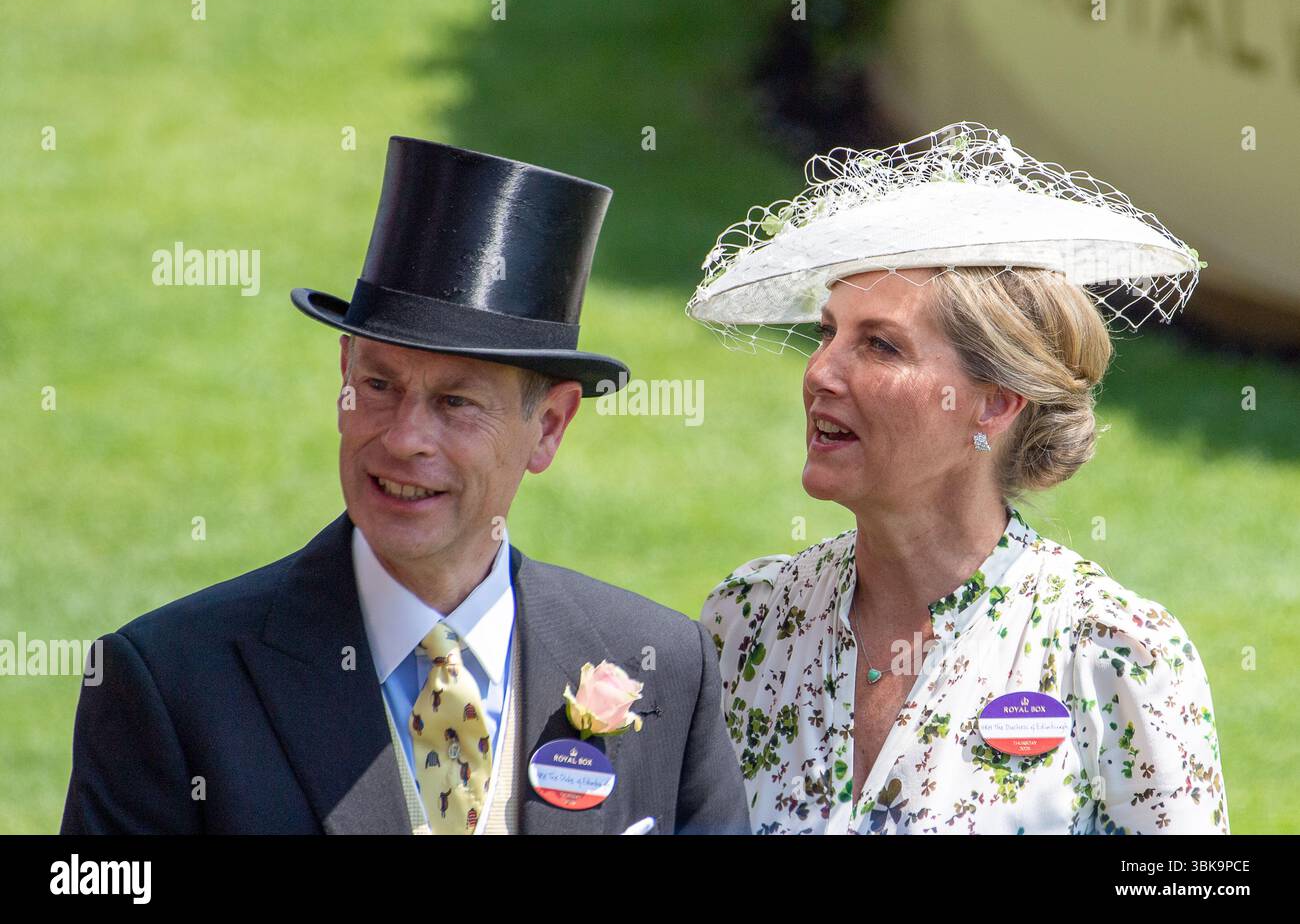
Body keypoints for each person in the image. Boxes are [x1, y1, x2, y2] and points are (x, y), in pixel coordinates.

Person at [61, 136, 749, 835]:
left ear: (549, 427)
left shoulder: (663, 668)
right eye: (380, 385)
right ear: (342, 378)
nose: (402, 437)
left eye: (456, 403)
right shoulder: (172, 682)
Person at [689, 122, 1229, 834]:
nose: (820, 372)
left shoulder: (1108, 650)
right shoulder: (751, 620)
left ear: (994, 402)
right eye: (827, 334)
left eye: (879, 346)